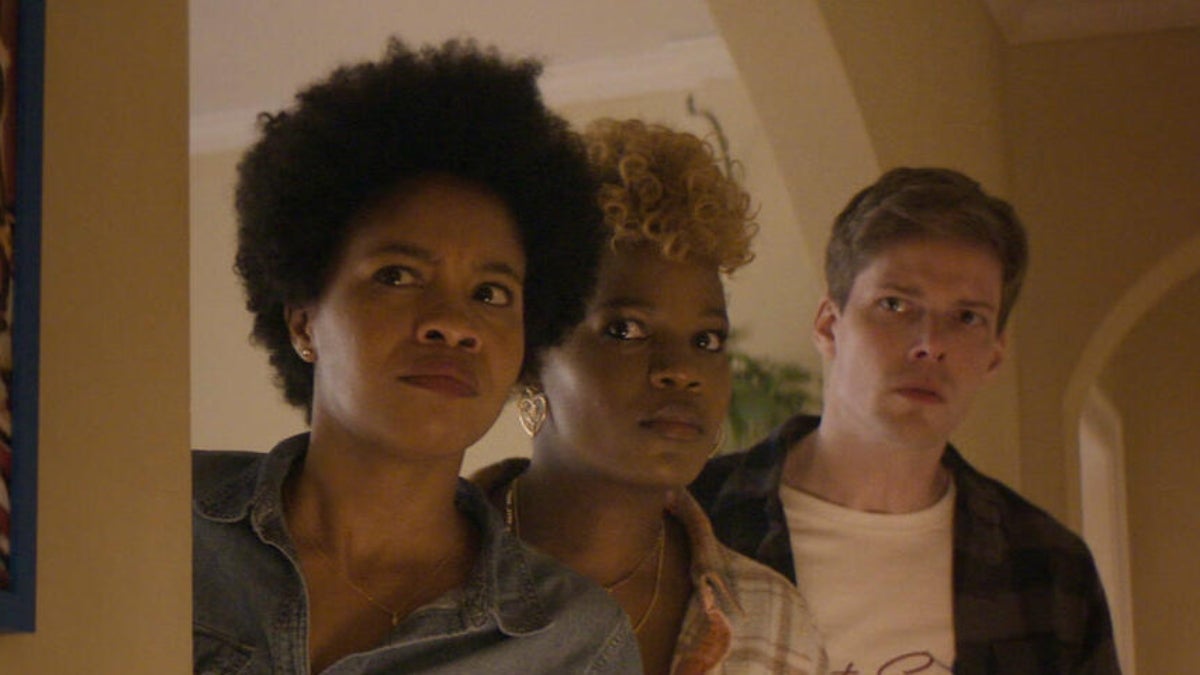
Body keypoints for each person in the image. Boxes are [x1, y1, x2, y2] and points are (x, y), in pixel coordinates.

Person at [192, 40, 641, 674]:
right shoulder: (158, 514)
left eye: (491, 293)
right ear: (303, 321)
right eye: (398, 276)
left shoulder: (574, 646)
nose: (453, 324)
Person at [691, 167, 1121, 673]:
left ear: (995, 355)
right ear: (829, 325)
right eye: (895, 305)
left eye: (967, 317)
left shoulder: (1049, 570)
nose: (931, 344)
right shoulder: (692, 522)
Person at [472, 119, 826, 674]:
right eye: (626, 330)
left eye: (707, 340)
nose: (681, 371)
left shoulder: (773, 619)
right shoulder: (413, 578)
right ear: (532, 350)